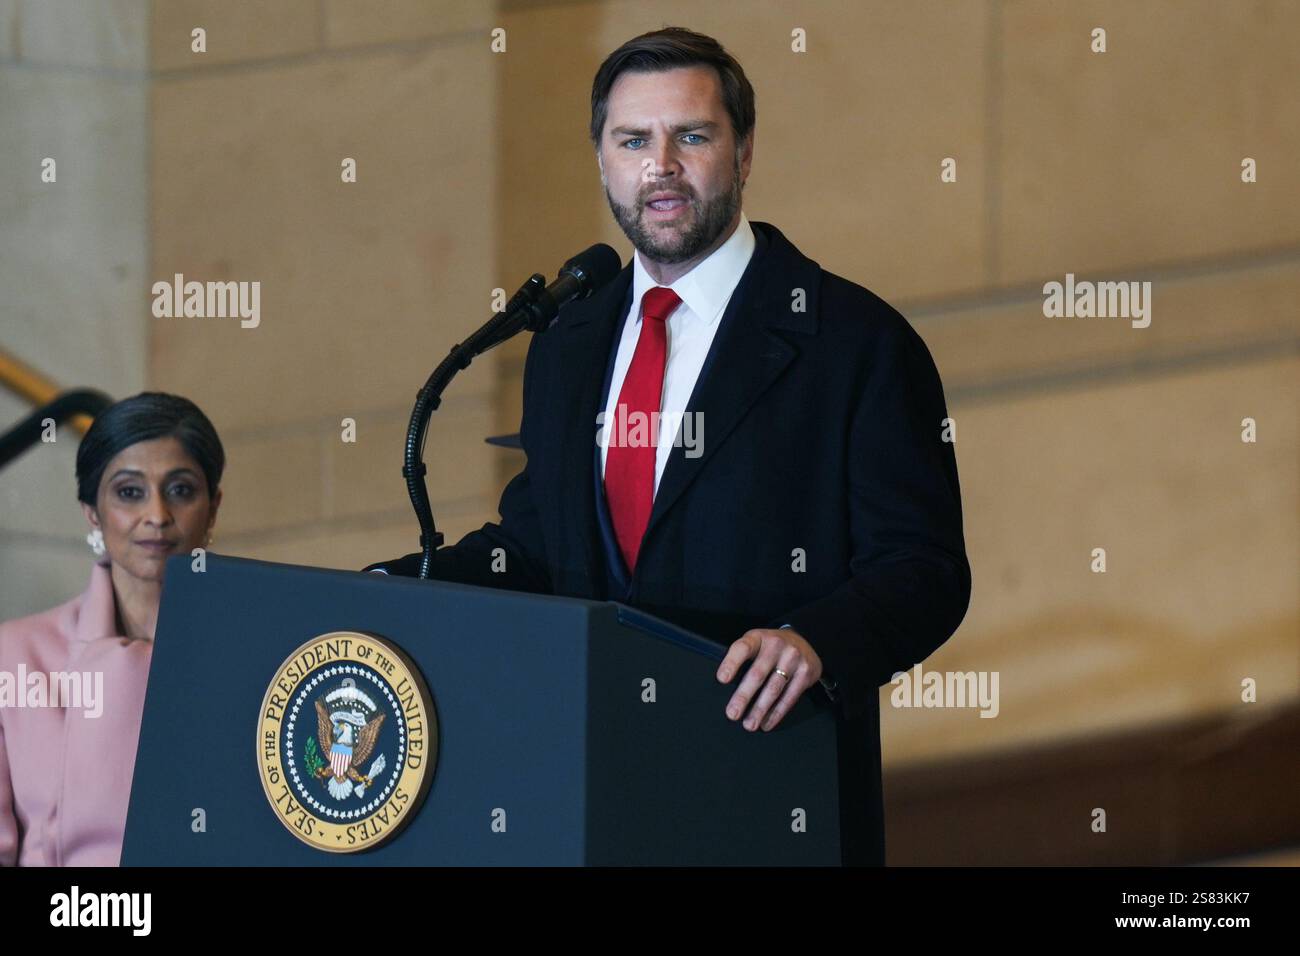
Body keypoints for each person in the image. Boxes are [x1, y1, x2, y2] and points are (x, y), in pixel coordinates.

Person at [371, 27, 970, 865]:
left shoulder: (853, 343)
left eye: (691, 136)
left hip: (765, 780)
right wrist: (401, 593)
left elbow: (926, 569)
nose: (661, 164)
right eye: (633, 141)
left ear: (744, 150)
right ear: (604, 161)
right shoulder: (570, 338)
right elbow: (541, 545)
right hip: (587, 782)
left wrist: (816, 640)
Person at [0, 392, 224, 865]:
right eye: (129, 491)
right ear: (92, 512)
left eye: (181, 489)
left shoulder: (257, 653)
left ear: (213, 507)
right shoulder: (15, 655)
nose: (157, 516)